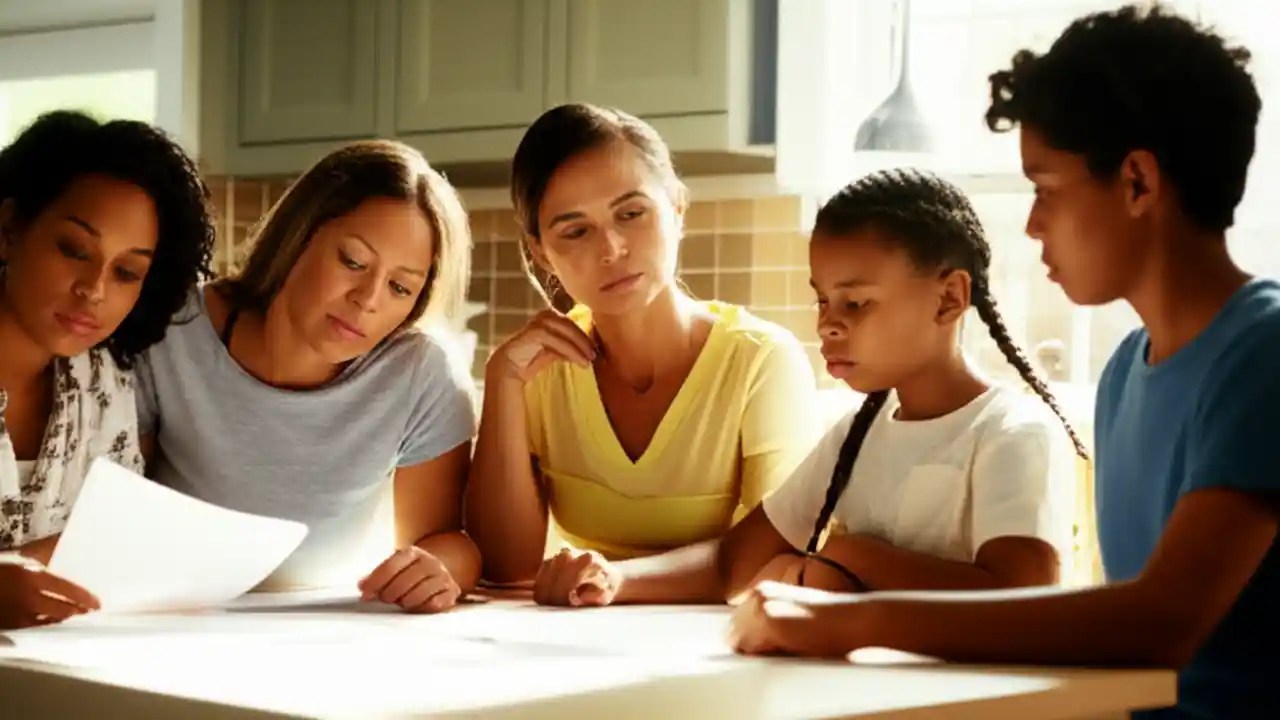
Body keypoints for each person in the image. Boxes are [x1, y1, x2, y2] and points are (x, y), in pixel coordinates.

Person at [729, 6, 1279, 719]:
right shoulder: (1125, 372)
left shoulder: (1261, 353)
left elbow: (1160, 623)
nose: (1032, 223)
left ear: (1137, 182)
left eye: (1045, 189)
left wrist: (855, 620)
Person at [532, 168, 1086, 607]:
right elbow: (736, 563)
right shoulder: (856, 434)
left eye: (856, 303)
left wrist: (855, 559)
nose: (828, 324)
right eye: (823, 300)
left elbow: (1022, 599)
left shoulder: (1012, 433)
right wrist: (616, 579)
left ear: (948, 299)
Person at [463, 103, 819, 584]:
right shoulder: (536, 373)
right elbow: (506, 566)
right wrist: (502, 381)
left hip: (725, 630)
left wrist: (618, 581)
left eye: (631, 214)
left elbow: (777, 555)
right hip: (575, 623)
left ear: (677, 209)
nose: (611, 249)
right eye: (576, 231)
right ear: (540, 253)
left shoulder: (761, 362)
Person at [136, 140, 479, 613]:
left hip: (320, 629)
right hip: (166, 616)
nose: (368, 299)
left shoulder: (421, 373)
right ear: (299, 235)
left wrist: (441, 568)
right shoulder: (171, 330)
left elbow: (445, 540)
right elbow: (113, 513)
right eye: (353, 262)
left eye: (400, 287)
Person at [0, 110, 214, 628]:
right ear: (8, 231)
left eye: (126, 271)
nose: (94, 290)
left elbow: (107, 548)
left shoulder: (104, 381)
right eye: (74, 250)